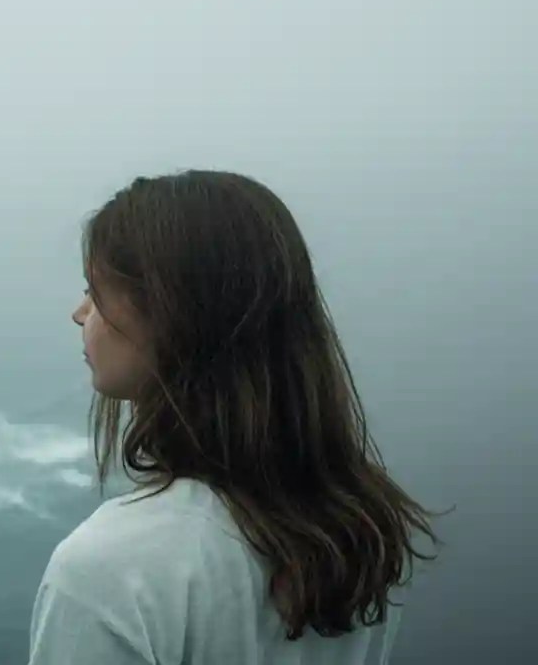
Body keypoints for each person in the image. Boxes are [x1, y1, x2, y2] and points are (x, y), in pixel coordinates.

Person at [28, 171, 443, 664]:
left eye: (95, 291)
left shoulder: (109, 567)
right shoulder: (359, 533)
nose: (80, 314)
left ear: (167, 313)